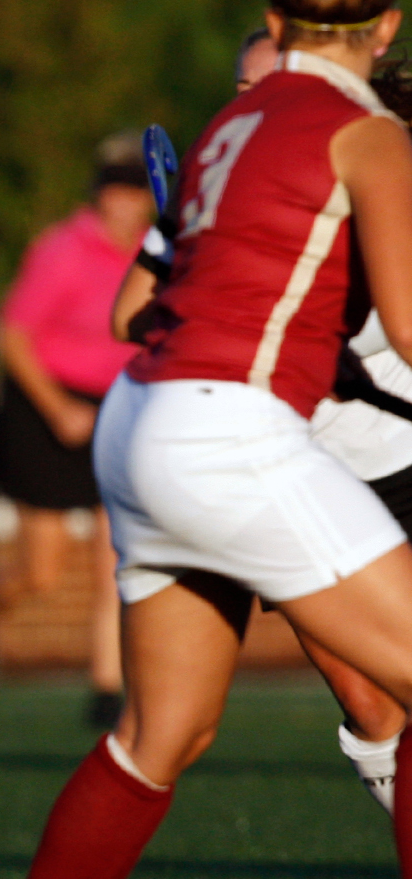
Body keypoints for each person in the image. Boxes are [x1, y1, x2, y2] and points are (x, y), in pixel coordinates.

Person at [0, 3, 412, 879]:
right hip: (232, 429)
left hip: (138, 419)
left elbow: (137, 309)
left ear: (281, 19)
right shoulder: (370, 133)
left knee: (165, 733)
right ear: (385, 25)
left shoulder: (225, 131)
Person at [112, 24, 409, 818]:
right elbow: (127, 319)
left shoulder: (371, 157)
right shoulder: (211, 185)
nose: (261, 105)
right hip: (289, 467)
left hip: (401, 456)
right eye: (245, 93)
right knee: (371, 707)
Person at [0, 134, 158, 729]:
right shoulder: (63, 249)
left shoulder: (156, 251)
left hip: (117, 404)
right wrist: (59, 408)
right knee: (40, 568)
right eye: (114, 189)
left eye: (134, 189)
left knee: (113, 554)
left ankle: (105, 688)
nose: (124, 202)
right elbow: (13, 337)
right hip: (45, 406)